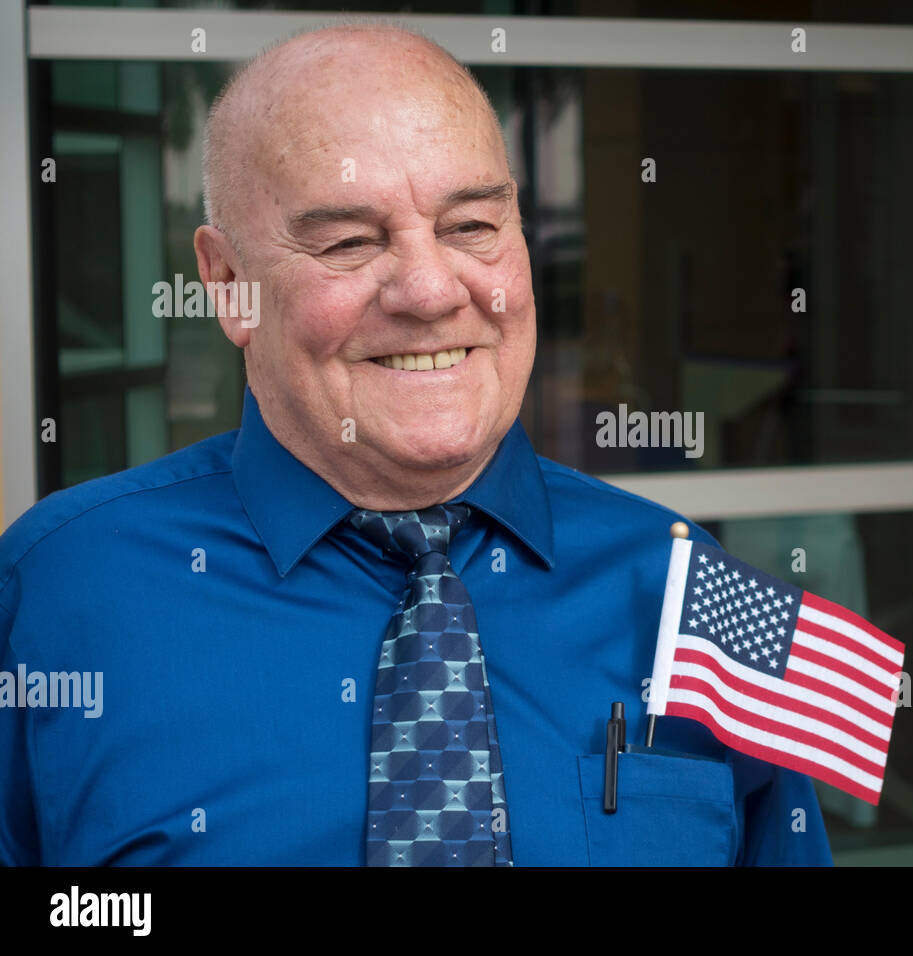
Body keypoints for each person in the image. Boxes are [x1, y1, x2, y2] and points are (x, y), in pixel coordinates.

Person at [0, 23, 831, 866]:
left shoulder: (687, 592)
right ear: (227, 283)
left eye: (470, 226)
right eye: (349, 242)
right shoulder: (60, 595)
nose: (430, 292)